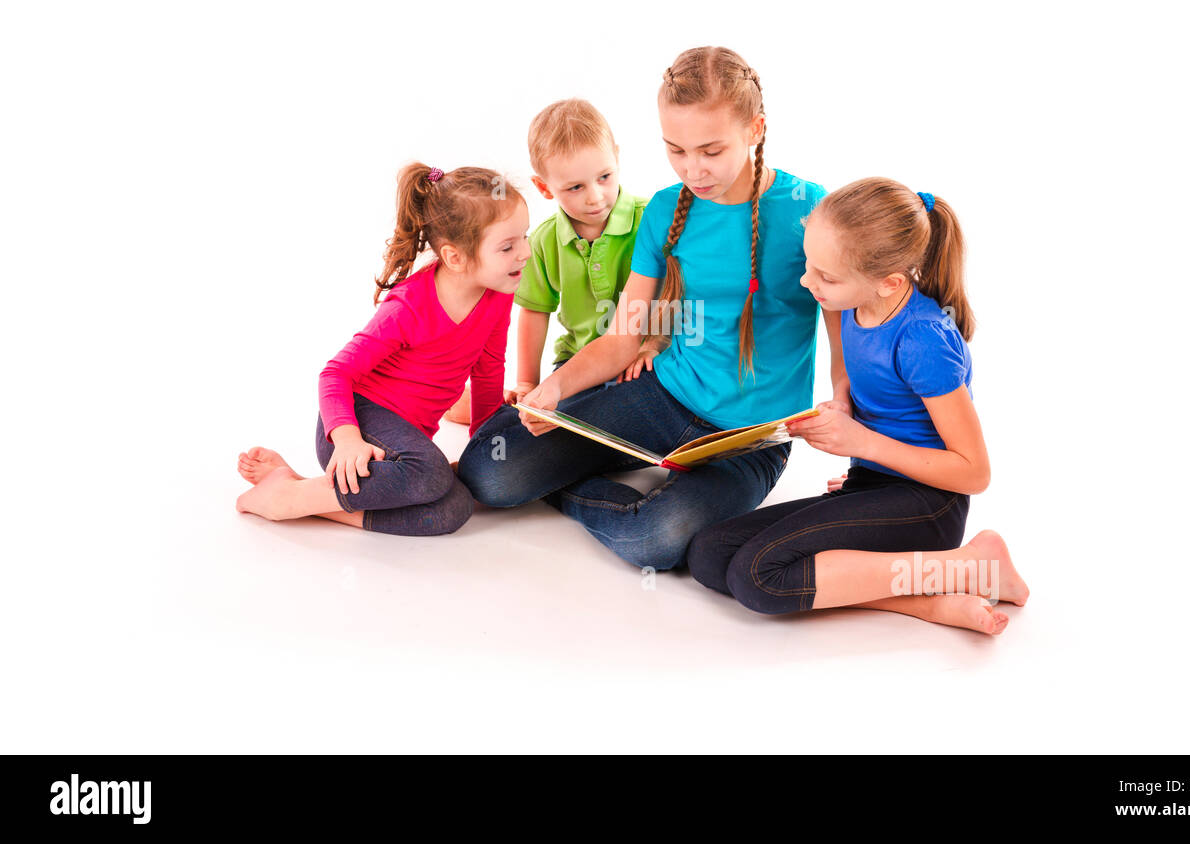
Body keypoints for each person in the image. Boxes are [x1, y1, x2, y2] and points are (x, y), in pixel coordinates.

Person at [456, 46, 835, 570]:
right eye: (675, 150)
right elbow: (624, 337)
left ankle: (584, 490)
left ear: (755, 129)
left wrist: (852, 416)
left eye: (710, 150)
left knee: (655, 539)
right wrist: (554, 388)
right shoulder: (663, 211)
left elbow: (845, 329)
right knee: (488, 474)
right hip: (661, 398)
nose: (692, 169)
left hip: (750, 441)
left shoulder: (809, 210)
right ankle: (597, 468)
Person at [687, 178, 1030, 635]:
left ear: (888, 282)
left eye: (825, 276)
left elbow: (974, 472)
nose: (808, 281)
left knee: (757, 578)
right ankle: (929, 599)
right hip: (872, 485)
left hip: (927, 505)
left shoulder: (924, 339)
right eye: (809, 264)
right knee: (710, 556)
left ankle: (971, 567)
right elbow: (848, 369)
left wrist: (863, 442)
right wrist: (842, 405)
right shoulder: (851, 299)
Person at [234, 164, 530, 535]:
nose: (526, 253)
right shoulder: (409, 307)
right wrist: (347, 439)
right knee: (430, 474)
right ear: (455, 257)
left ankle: (297, 487)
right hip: (357, 430)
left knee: (454, 508)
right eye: (508, 246)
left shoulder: (498, 294)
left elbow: (488, 371)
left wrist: (484, 447)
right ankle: (286, 502)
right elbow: (335, 374)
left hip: (405, 449)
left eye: (525, 237)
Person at [444, 98, 655, 424]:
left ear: (617, 156)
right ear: (544, 187)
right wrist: (528, 382)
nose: (595, 196)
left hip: (642, 360)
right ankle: (486, 410)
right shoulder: (541, 241)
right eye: (575, 187)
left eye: (604, 177)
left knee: (617, 416)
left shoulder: (650, 219)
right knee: (544, 420)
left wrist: (652, 344)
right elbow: (534, 311)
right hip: (576, 365)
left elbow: (678, 295)